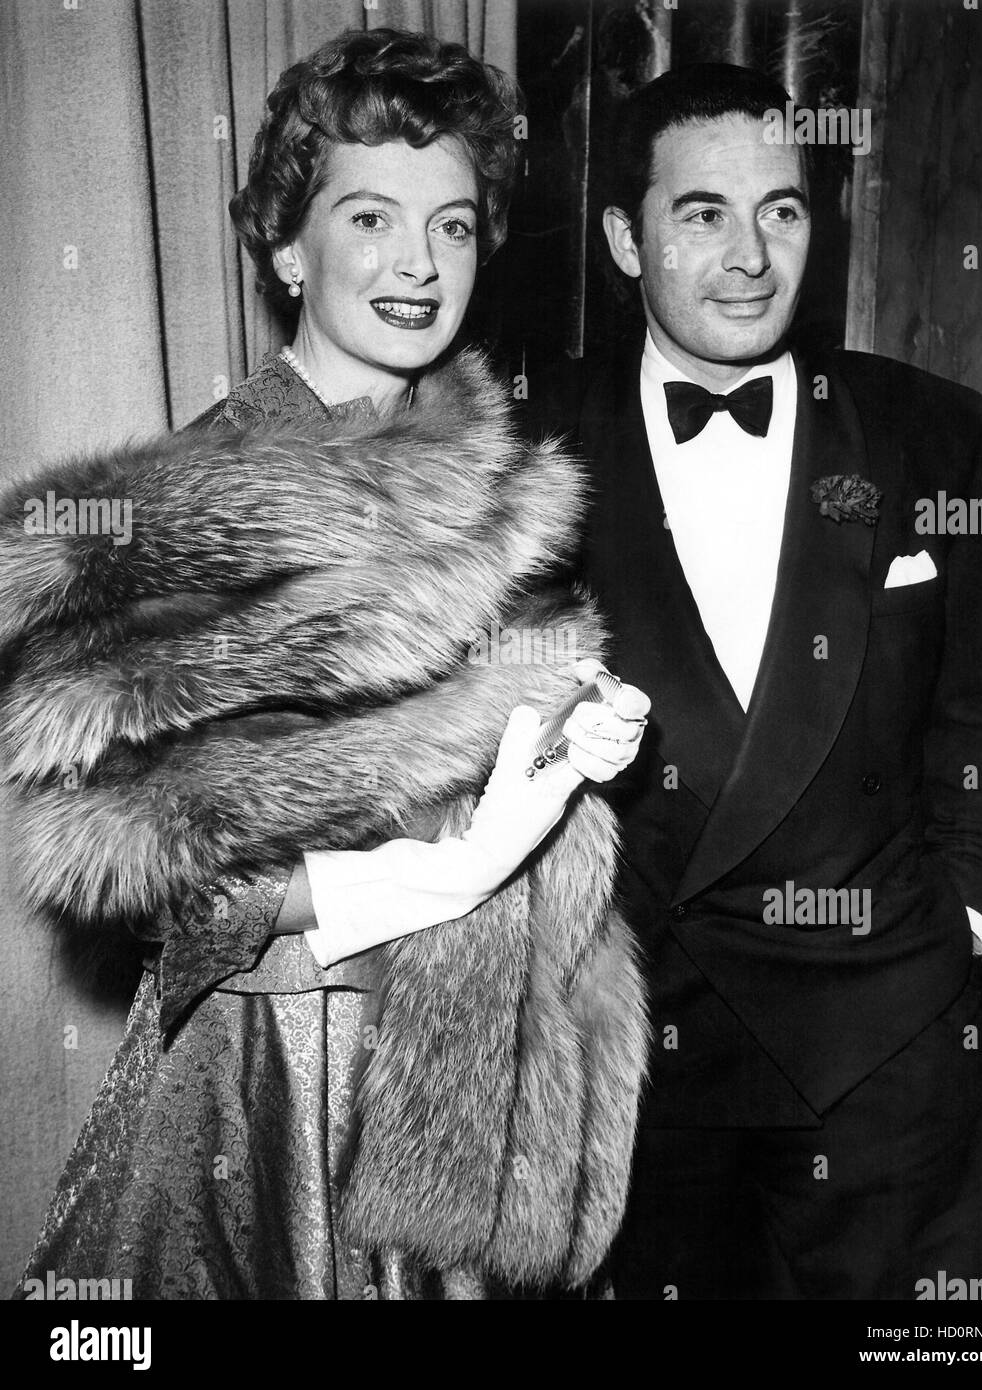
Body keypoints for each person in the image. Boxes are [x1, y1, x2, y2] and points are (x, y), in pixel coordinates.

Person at [3, 27, 650, 1301]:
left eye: (455, 226)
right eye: (372, 216)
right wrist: (422, 874)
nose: (420, 262)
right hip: (284, 1079)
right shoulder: (180, 509)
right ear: (287, 244)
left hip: (477, 1084)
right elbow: (144, 884)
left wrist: (562, 746)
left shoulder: (500, 481)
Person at [536, 62, 982, 1299]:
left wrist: (967, 921)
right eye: (703, 212)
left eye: (785, 211)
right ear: (624, 239)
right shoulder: (525, 449)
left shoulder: (941, 435)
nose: (751, 255)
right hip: (631, 1056)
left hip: (886, 1054)